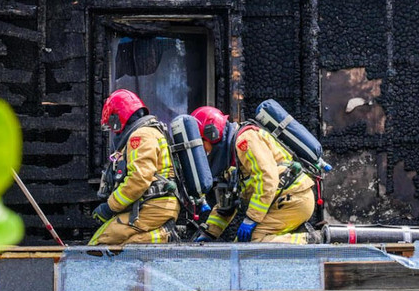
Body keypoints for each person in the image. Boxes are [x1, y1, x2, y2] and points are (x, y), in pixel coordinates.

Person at [191, 105, 316, 244]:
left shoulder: (245, 140)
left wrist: (252, 218)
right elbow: (227, 204)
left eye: (201, 143)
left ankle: (310, 240)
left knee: (252, 244)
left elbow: (267, 178)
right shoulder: (230, 160)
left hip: (292, 199)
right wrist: (209, 232)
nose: (202, 151)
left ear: (211, 134)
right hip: (282, 201)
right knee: (243, 247)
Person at [89, 89, 180, 245]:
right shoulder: (150, 132)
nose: (112, 130)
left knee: (102, 241)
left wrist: (110, 207)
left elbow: (138, 179)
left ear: (118, 118)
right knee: (128, 244)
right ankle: (162, 235)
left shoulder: (140, 135)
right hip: (156, 205)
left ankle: (165, 235)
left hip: (153, 207)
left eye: (112, 124)